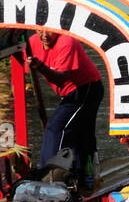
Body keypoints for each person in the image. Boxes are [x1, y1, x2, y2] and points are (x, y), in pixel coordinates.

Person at [25, 30, 104, 181]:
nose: (44, 36)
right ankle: (83, 173)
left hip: (86, 88)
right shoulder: (32, 43)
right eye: (40, 31)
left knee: (56, 127)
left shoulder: (67, 41)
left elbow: (60, 79)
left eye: (48, 31)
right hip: (70, 93)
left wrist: (41, 66)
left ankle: (49, 173)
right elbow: (25, 69)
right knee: (81, 134)